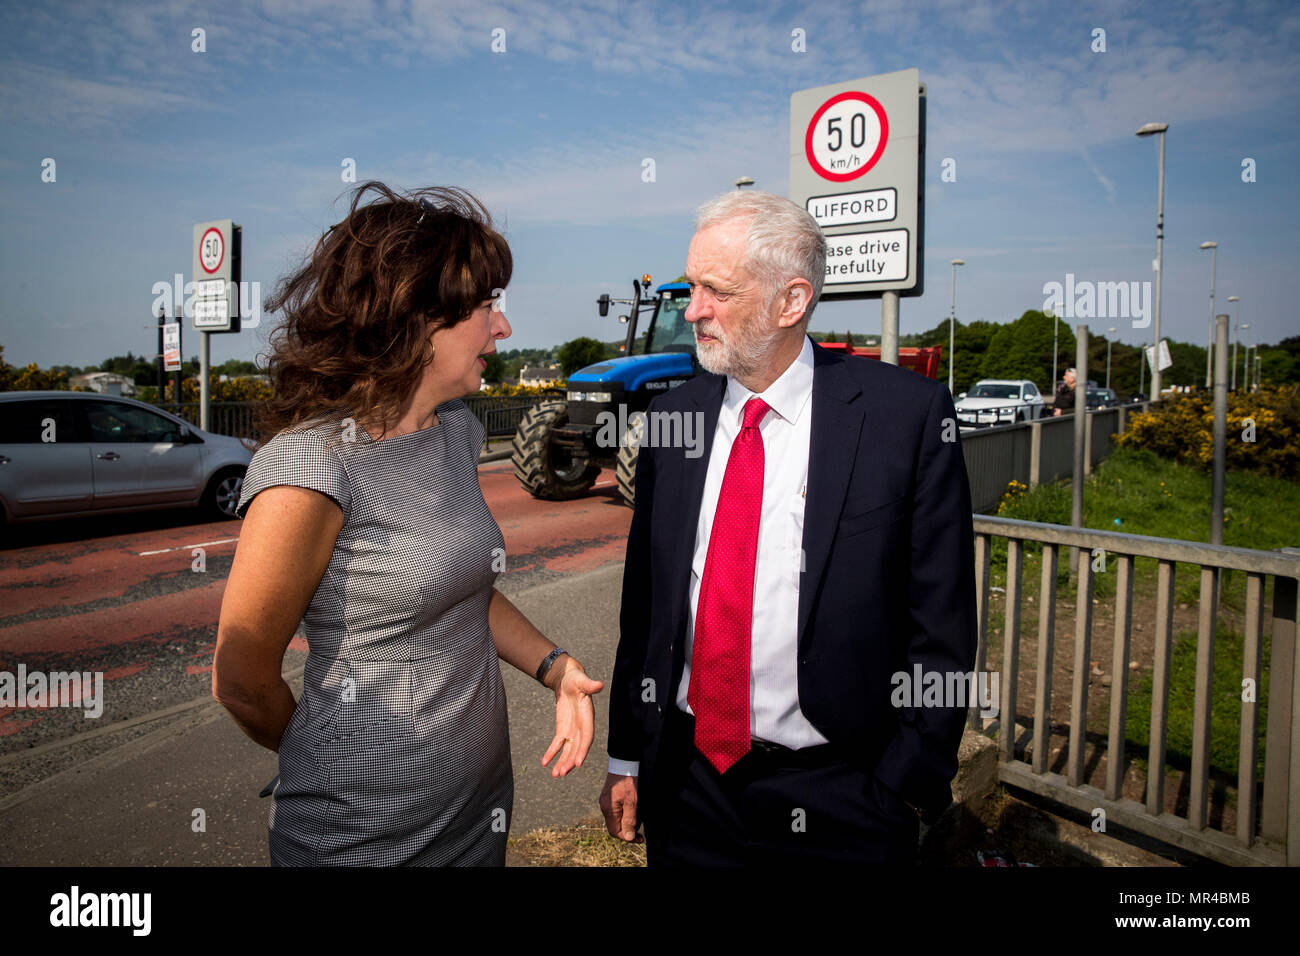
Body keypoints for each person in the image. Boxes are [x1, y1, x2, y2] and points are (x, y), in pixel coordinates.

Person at [213, 181, 603, 866]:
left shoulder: (456, 431)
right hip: (364, 837)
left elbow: (462, 589)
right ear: (417, 318)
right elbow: (242, 679)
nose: (503, 327)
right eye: (486, 307)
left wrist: (555, 667)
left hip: (477, 809)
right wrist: (333, 753)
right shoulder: (312, 467)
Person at [598, 191, 977, 864]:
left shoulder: (904, 419)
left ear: (791, 301)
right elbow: (647, 609)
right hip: (687, 789)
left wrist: (908, 783)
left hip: (844, 796)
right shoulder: (673, 422)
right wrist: (628, 756)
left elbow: (941, 625)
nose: (694, 310)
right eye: (692, 288)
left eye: (717, 290)